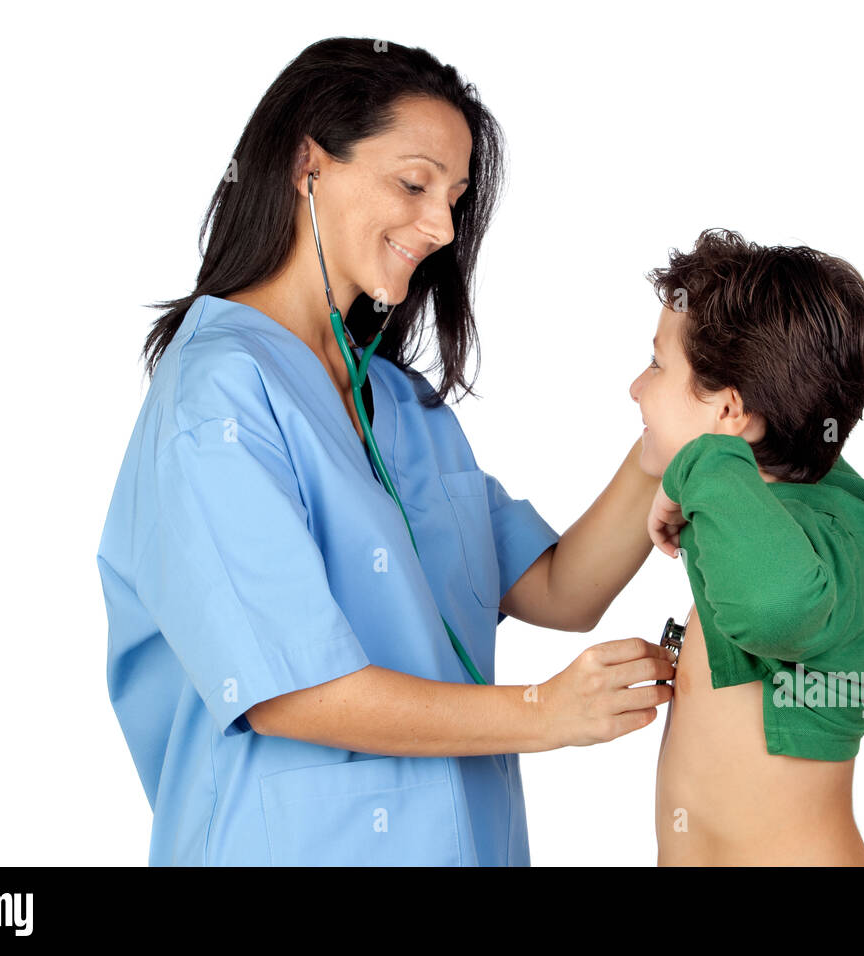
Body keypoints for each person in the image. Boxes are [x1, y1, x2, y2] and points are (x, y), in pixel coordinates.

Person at [96, 37, 674, 866]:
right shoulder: (215, 398)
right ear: (308, 165)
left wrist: (662, 445)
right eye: (413, 183)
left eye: (456, 197)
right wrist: (546, 712)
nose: (441, 225)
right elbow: (287, 693)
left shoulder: (400, 404)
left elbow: (558, 589)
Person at [630, 228, 864, 865]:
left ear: (731, 411)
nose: (636, 387)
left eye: (656, 364)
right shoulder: (772, 519)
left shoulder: (820, 551)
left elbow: (776, 608)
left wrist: (699, 464)